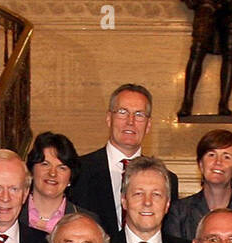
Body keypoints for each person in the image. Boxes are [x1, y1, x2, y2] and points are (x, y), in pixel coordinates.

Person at [76, 84, 179, 234]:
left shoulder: (167, 179)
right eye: (122, 112)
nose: (130, 121)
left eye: (139, 115)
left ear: (148, 125)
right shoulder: (79, 170)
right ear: (108, 118)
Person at [103, 156, 198, 243]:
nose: (147, 202)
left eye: (156, 194)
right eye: (138, 194)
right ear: (124, 201)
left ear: (167, 204)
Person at [166, 129, 232, 241]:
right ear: (201, 165)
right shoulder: (179, 211)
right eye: (212, 155)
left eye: (226, 157)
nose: (218, 162)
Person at [25, 131, 79, 235]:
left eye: (62, 168)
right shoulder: (11, 213)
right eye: (45, 164)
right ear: (31, 170)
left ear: (70, 177)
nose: (52, 173)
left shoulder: (88, 221)